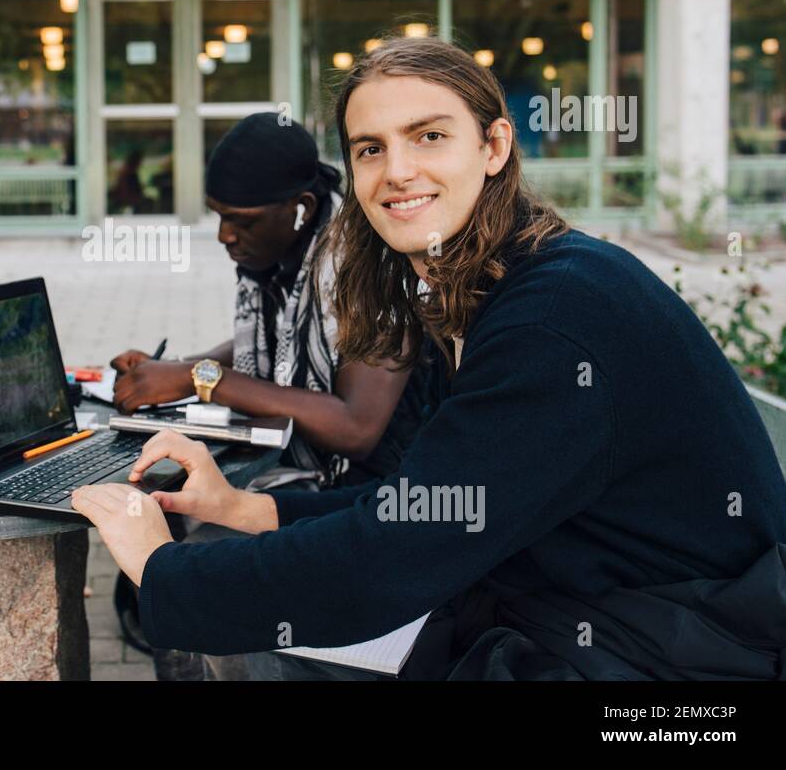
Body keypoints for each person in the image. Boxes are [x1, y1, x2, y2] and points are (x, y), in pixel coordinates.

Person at [75, 36, 786, 680]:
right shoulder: (492, 278)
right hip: (592, 612)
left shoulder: (555, 315)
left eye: (430, 136)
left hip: (689, 658)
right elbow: (442, 494)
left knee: (266, 645)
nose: (397, 171)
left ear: (494, 146)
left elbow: (395, 556)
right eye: (370, 148)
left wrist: (164, 570)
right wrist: (247, 506)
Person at [111, 112, 425, 490]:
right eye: (220, 217)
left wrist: (201, 379)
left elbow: (356, 428)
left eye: (243, 222)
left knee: (176, 514)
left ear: (302, 208)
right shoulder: (283, 251)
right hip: (304, 475)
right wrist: (171, 370)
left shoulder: (372, 266)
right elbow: (278, 340)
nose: (225, 235)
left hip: (380, 495)